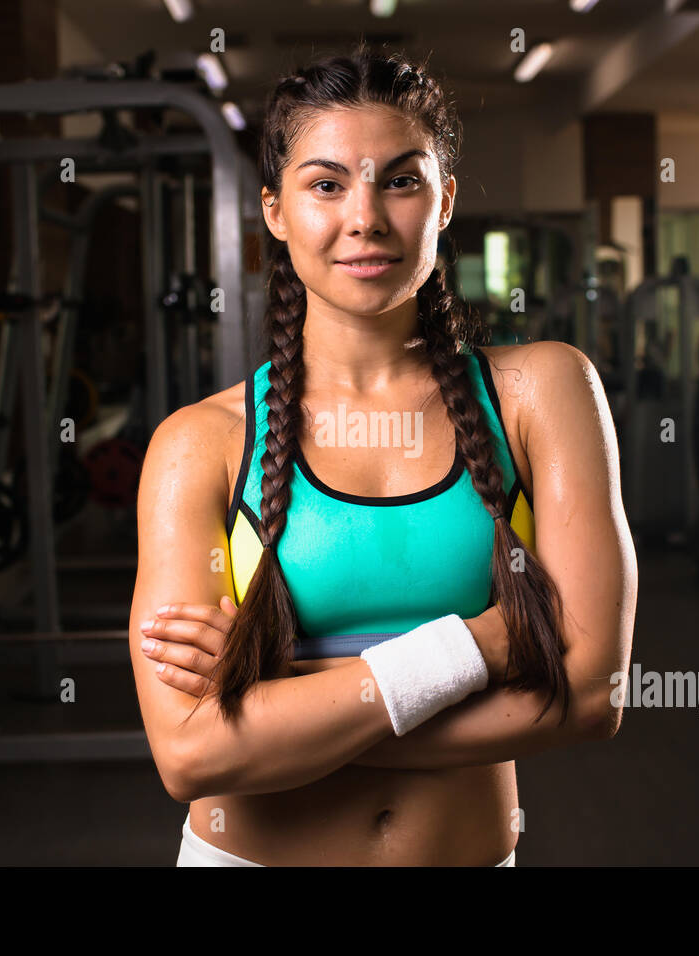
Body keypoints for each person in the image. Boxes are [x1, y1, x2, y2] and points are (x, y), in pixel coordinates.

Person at [128, 47, 637, 866]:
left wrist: (276, 711)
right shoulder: (202, 445)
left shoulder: (541, 393)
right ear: (275, 210)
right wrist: (480, 648)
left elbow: (591, 696)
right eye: (326, 184)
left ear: (444, 203)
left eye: (400, 179)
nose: (364, 217)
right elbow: (189, 757)